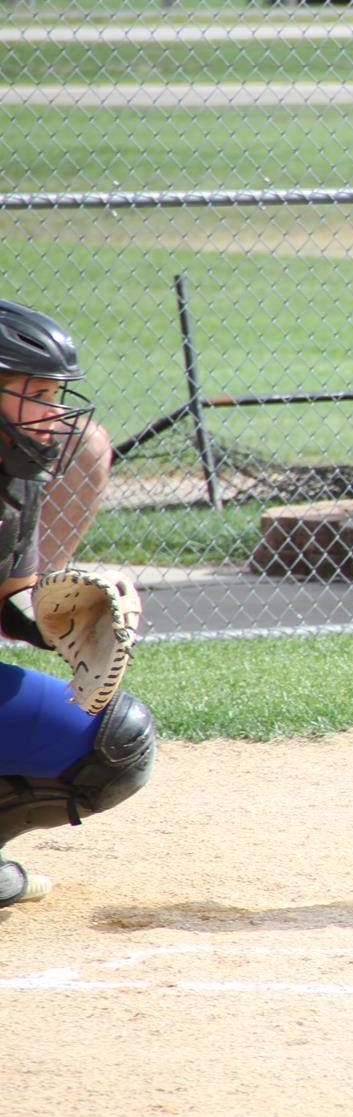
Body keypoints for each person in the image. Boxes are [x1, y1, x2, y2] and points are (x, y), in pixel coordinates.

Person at [0, 300, 157, 908]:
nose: (53, 413)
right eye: (34, 392)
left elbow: (7, 593)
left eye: (56, 393)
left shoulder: (16, 472)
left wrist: (57, 619)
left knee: (113, 742)